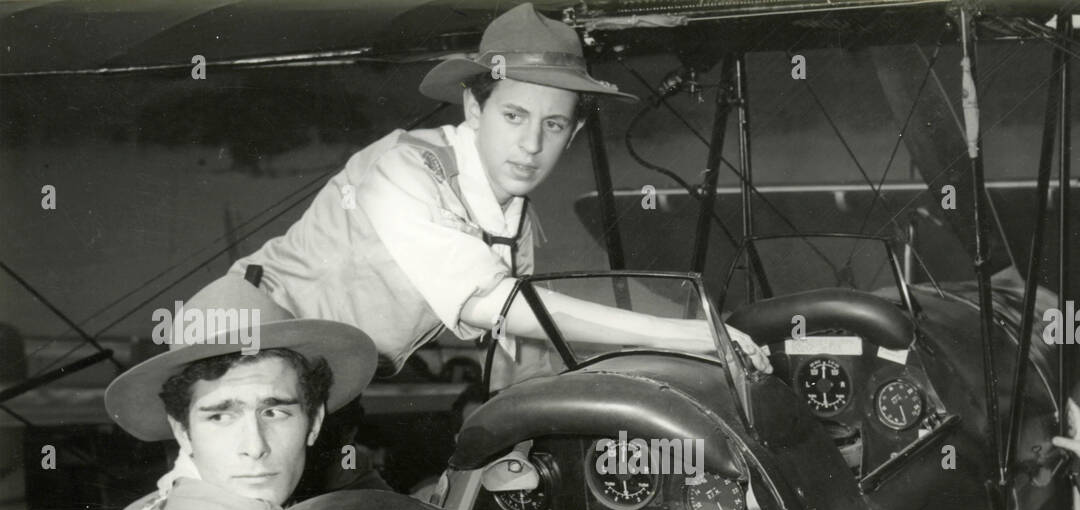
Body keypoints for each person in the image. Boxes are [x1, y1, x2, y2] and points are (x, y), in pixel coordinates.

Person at [216, 2, 768, 386]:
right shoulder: (402, 171)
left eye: (553, 126)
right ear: (474, 109)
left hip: (330, 374)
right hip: (246, 333)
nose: (531, 145)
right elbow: (494, 306)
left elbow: (520, 351)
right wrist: (695, 336)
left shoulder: (512, 222)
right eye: (513, 115)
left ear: (572, 134)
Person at [97, 276, 378, 510]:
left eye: (274, 412)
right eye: (221, 417)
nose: (254, 447)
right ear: (183, 431)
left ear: (314, 420)